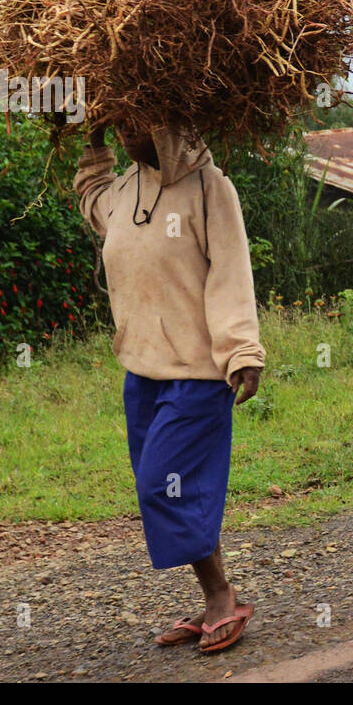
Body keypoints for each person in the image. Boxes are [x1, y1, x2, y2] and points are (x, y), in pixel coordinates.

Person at [75, 121, 265, 651]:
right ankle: (216, 599)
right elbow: (94, 201)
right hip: (143, 374)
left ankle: (223, 596)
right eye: (121, 123)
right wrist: (92, 144)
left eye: (137, 123)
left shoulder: (209, 187)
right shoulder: (127, 188)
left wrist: (242, 352)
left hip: (199, 374)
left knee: (162, 482)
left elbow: (231, 269)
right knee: (180, 488)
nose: (128, 133)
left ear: (168, 123)